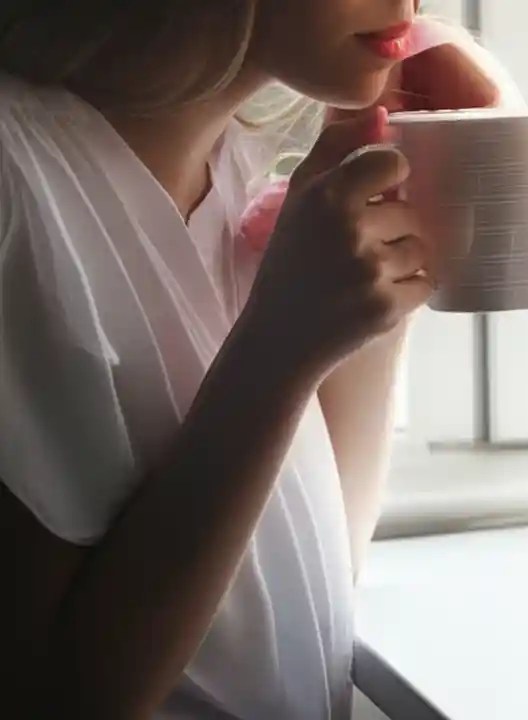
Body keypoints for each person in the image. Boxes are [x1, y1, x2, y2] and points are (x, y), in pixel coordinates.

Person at [0, 2, 501, 717]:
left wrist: (386, 264)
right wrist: (277, 349)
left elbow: (307, 585)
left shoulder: (228, 163)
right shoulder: (18, 189)